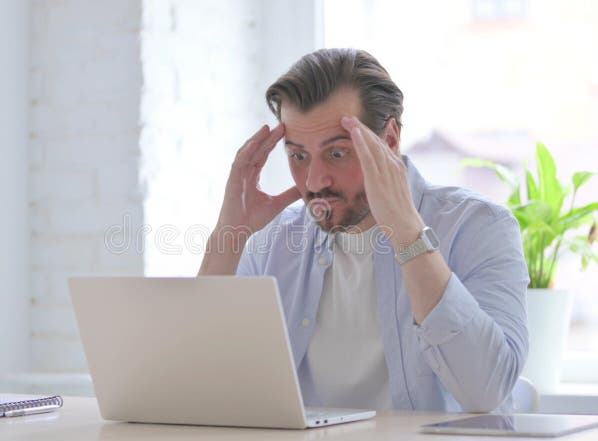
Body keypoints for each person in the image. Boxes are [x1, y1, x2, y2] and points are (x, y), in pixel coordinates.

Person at [198, 48, 529, 413]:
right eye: (298, 155)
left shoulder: (478, 227)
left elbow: (488, 392)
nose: (314, 180)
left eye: (337, 154)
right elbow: (196, 384)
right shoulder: (273, 243)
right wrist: (230, 237)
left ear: (388, 140)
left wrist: (406, 232)